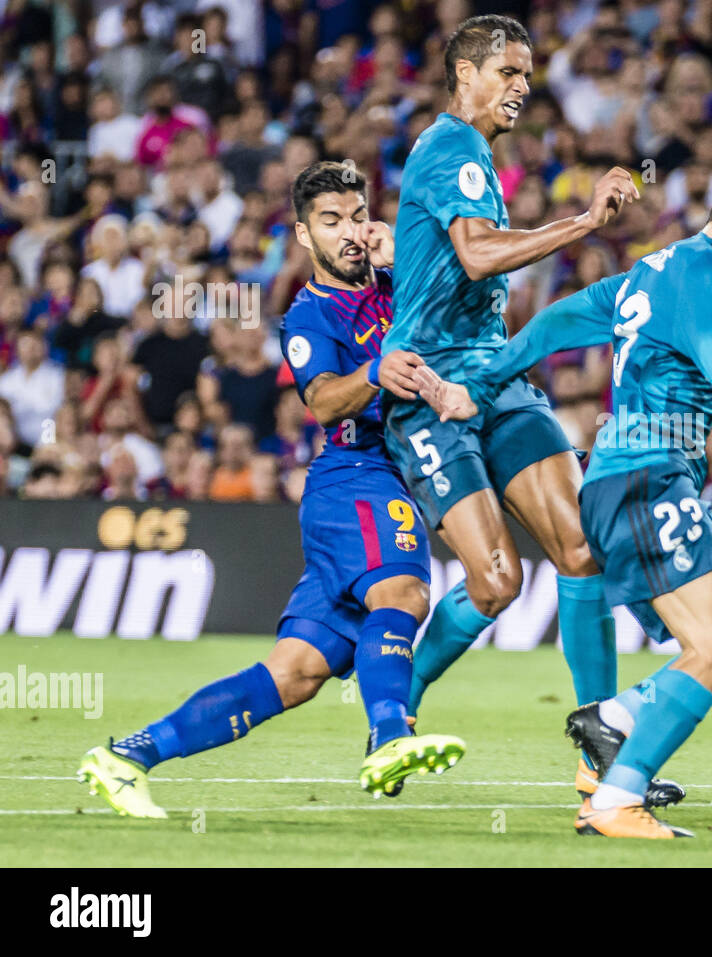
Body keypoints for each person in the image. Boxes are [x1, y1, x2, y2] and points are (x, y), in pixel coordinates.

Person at [425, 149, 712, 838]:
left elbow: (559, 322)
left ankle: (615, 718)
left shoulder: (657, 269)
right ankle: (617, 796)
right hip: (643, 476)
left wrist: (480, 384)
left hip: (652, 481)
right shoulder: (705, 269)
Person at [77, 162, 462, 818]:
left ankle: (127, 755)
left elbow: (472, 295)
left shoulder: (400, 285)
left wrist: (419, 250)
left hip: (384, 478)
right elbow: (323, 401)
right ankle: (391, 733)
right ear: (305, 235)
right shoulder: (310, 316)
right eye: (330, 221)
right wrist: (375, 369)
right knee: (402, 591)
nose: (348, 233)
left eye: (355, 216)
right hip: (357, 477)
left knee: (295, 673)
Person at [378, 15, 680, 809]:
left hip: (496, 377)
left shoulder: (472, 155)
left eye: (527, 74)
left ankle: (601, 749)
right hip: (430, 390)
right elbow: (477, 251)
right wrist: (583, 220)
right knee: (497, 578)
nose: (520, 86)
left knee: (582, 549)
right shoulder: (451, 146)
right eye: (507, 72)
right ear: (465, 74)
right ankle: (390, 707)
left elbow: (457, 258)